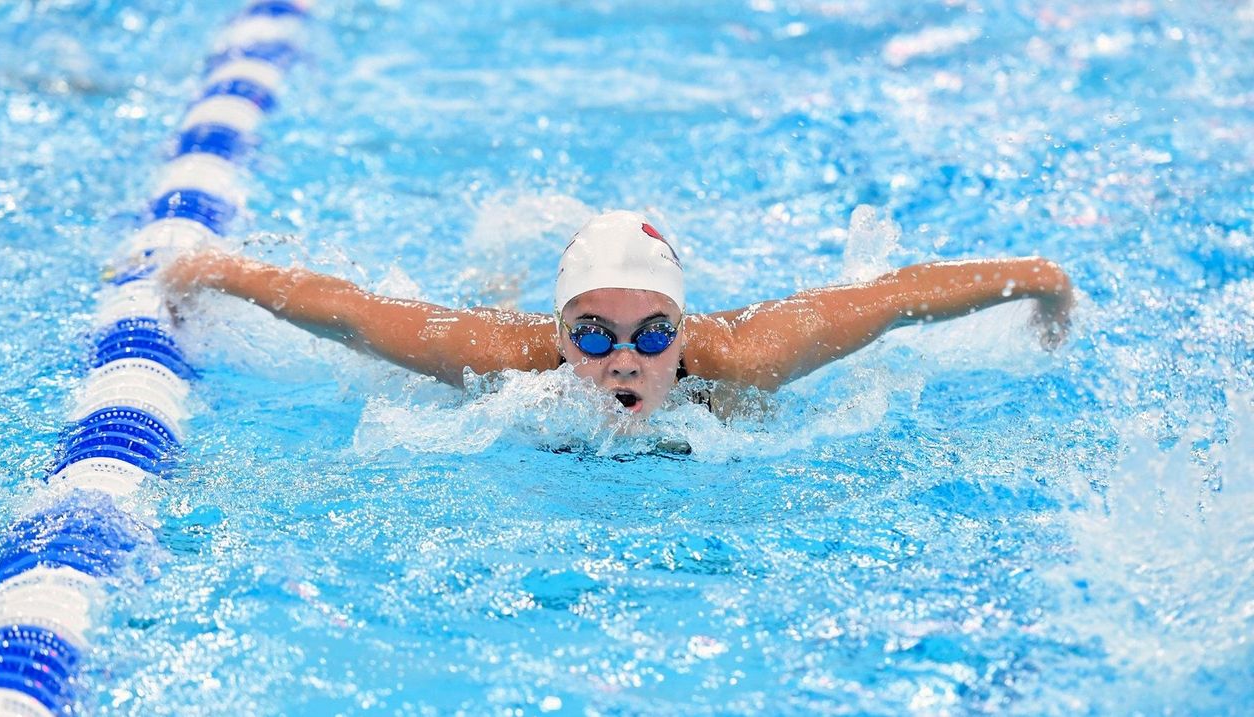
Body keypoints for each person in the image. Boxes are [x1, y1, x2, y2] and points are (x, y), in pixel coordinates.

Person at [161, 210, 1073, 417]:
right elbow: (353, 314)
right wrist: (216, 270)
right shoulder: (507, 359)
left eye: (651, 334)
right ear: (560, 335)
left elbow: (896, 298)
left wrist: (1039, 278)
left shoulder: (747, 356)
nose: (623, 361)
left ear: (682, 330)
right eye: (592, 335)